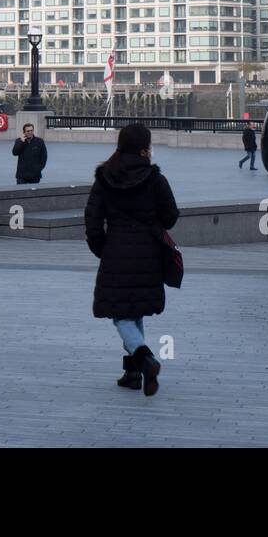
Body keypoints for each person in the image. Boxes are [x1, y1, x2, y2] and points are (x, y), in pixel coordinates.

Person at [84, 123, 179, 397]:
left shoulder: (104, 177)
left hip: (116, 252)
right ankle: (135, 369)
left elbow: (92, 222)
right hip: (148, 254)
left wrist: (103, 248)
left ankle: (143, 361)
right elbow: (171, 216)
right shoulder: (155, 178)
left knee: (123, 315)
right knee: (131, 312)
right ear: (144, 147)